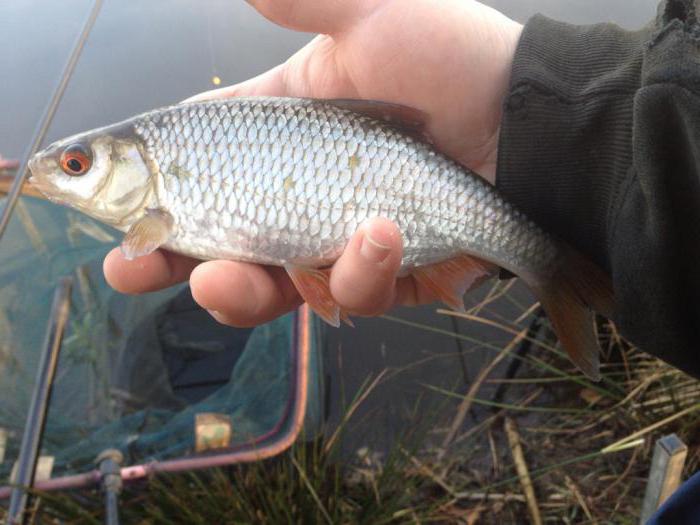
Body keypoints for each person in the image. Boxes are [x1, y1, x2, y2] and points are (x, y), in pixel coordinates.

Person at [103, 0, 700, 521]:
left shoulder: (158, 207)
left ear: (136, 163)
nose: (69, 175)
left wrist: (525, 117)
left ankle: (560, 273)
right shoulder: (158, 202)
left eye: (78, 166)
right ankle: (569, 273)